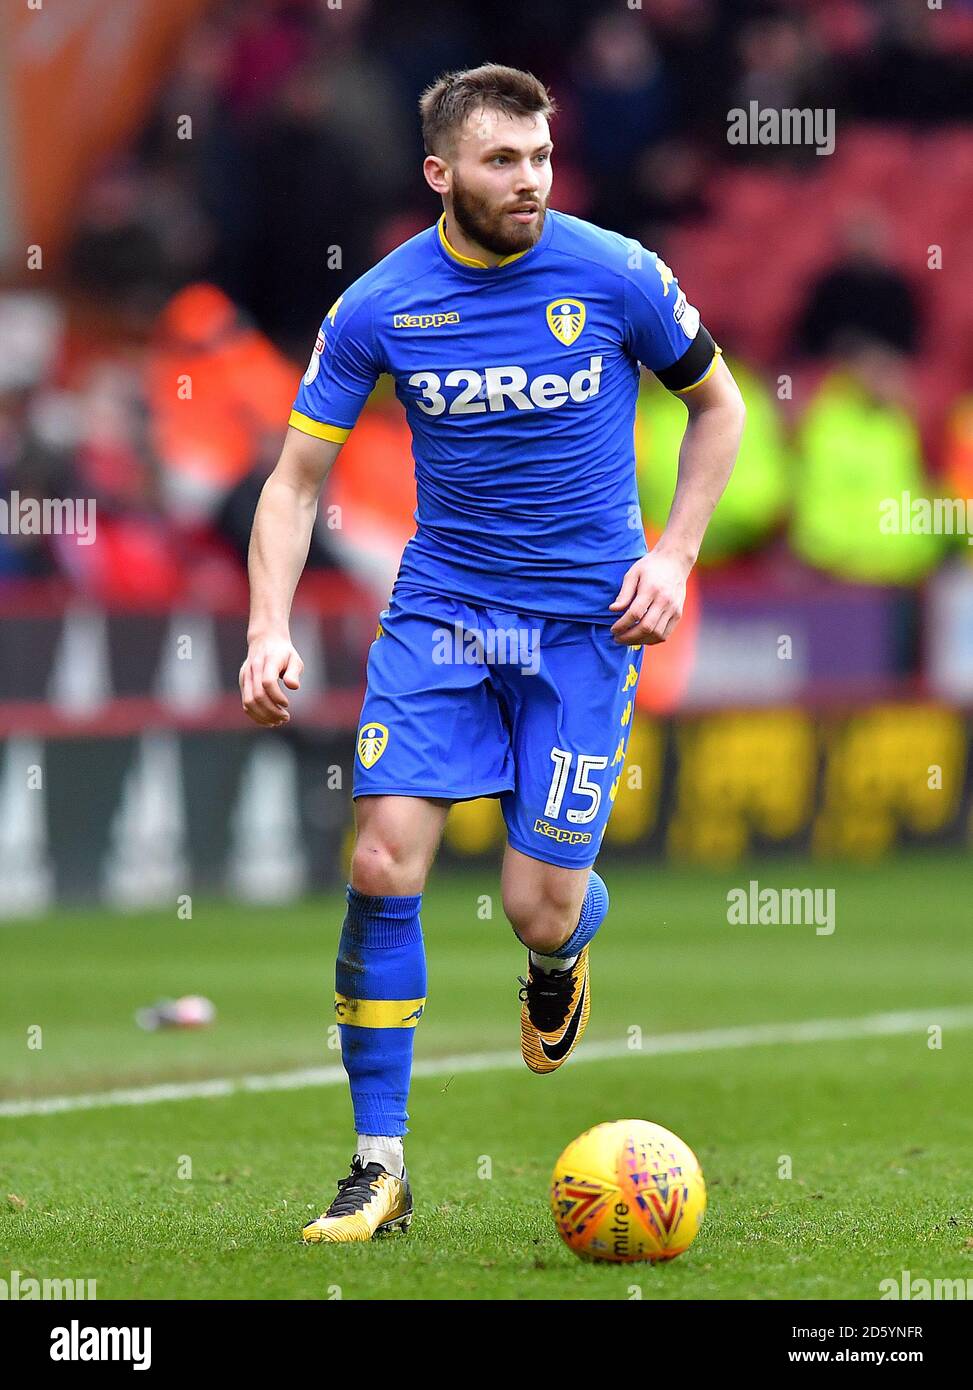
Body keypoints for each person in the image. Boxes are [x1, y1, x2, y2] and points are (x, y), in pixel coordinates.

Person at [240, 63, 745, 1244]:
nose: (529, 182)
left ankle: (563, 954)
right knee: (381, 861)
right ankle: (378, 1166)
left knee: (535, 906)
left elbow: (717, 406)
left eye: (540, 159)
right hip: (444, 618)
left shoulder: (615, 272)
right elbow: (293, 482)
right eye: (502, 162)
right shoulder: (377, 305)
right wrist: (267, 626)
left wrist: (671, 555)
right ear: (441, 175)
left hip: (583, 628)